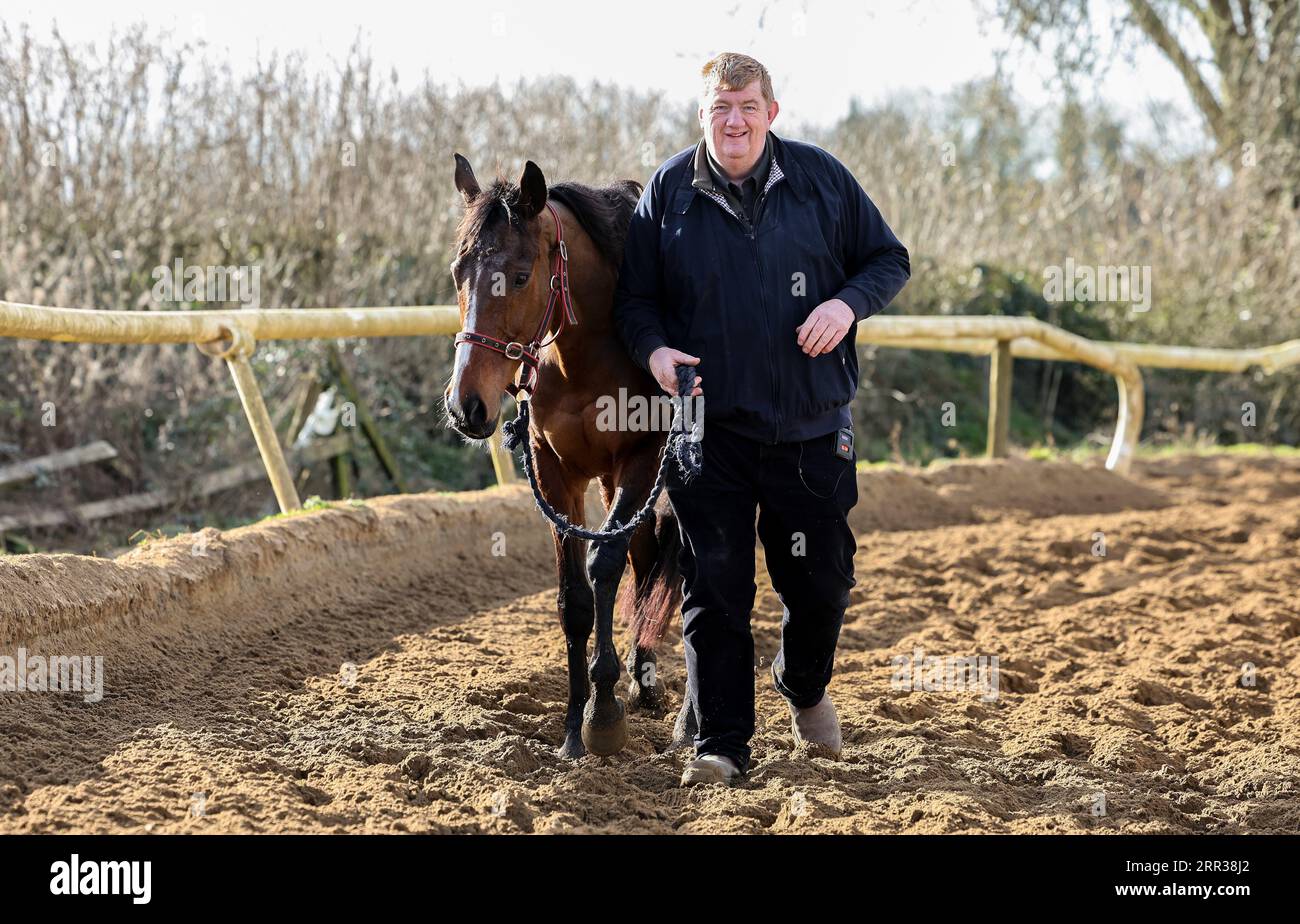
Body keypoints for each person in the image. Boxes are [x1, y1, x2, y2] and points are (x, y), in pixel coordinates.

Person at [614, 52, 911, 786]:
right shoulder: (667, 193)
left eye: (747, 107)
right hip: (707, 430)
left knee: (821, 583)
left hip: (812, 425)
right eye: (721, 108)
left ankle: (803, 684)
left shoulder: (821, 181)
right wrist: (653, 354)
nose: (735, 121)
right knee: (715, 589)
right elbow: (634, 302)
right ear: (703, 116)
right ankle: (721, 744)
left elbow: (887, 259)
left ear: (771, 112)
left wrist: (845, 306)